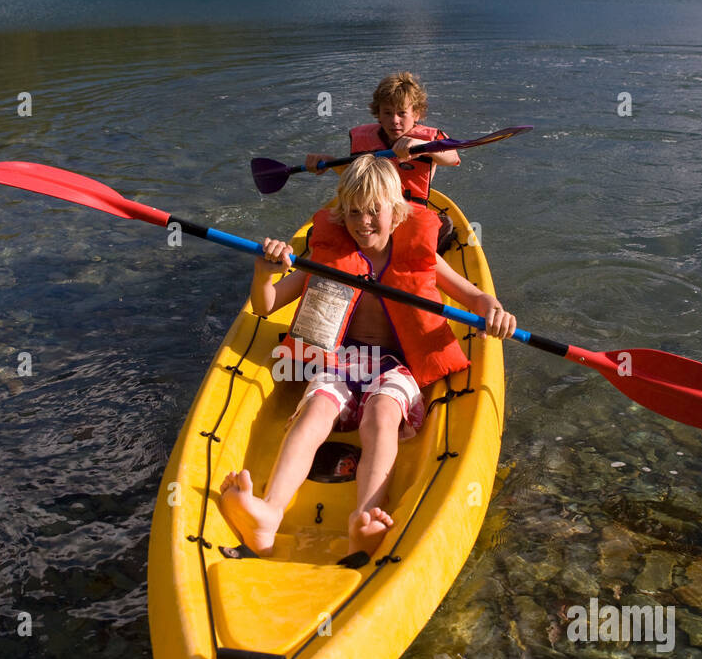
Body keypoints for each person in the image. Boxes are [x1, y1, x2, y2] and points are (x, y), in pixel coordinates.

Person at [218, 153, 516, 566]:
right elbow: (267, 305)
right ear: (342, 215)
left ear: (396, 213)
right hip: (343, 359)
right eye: (354, 213)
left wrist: (494, 311)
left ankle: (364, 516)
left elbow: (475, 297)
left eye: (374, 211)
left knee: (382, 413)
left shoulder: (421, 253)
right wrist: (263, 272)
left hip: (398, 364)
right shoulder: (327, 254)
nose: (363, 223)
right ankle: (269, 512)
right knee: (316, 410)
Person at [305, 71, 459, 204]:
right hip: (369, 208)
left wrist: (424, 146)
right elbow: (358, 176)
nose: (394, 120)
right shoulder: (364, 137)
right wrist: (329, 162)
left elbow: (453, 157)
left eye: (402, 113)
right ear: (378, 114)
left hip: (410, 209)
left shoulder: (428, 139)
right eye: (387, 113)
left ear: (416, 114)